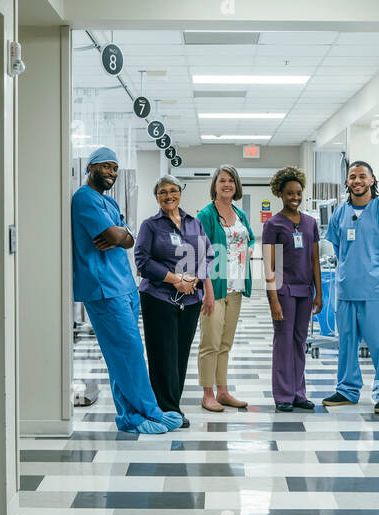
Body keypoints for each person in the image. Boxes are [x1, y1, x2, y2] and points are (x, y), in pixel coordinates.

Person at [70, 147, 183, 435]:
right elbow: (113, 235)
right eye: (105, 166)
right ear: (90, 168)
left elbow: (128, 240)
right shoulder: (84, 198)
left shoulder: (107, 202)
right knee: (130, 352)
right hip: (104, 289)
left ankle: (129, 416)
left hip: (124, 286)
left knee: (122, 355)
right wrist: (120, 232)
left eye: (114, 168)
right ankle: (149, 411)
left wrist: (121, 233)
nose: (111, 172)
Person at [134, 176, 214, 428]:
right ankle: (167, 410)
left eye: (173, 191)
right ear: (156, 197)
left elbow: (209, 255)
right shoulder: (151, 226)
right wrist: (175, 279)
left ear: (180, 192)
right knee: (162, 356)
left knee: (179, 355)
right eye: (162, 192)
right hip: (158, 298)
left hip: (189, 301)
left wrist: (195, 279)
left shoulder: (194, 224)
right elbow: (142, 261)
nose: (169, 196)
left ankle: (172, 405)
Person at [322, 161, 379, 414]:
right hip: (346, 289)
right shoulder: (339, 213)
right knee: (346, 343)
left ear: (372, 180)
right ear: (347, 182)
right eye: (352, 177)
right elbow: (338, 248)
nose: (357, 181)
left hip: (375, 291)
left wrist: (375, 271)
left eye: (362, 176)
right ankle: (347, 389)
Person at [261, 167, 322, 413]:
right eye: (289, 193)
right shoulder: (273, 224)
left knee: (299, 341)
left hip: (305, 292)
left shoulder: (310, 223)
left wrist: (319, 293)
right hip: (284, 291)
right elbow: (270, 265)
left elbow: (314, 260)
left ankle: (299, 393)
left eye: (298, 193)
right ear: (280, 194)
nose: (294, 197)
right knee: (284, 341)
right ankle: (283, 395)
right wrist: (273, 299)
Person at [196, 165, 255, 412]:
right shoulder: (206, 215)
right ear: (215, 185)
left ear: (236, 185)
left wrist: (249, 248)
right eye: (222, 180)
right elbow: (199, 254)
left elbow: (250, 237)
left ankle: (223, 391)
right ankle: (207, 393)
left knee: (226, 343)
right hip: (214, 287)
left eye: (231, 180)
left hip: (235, 287)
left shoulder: (239, 214)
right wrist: (207, 291)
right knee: (210, 342)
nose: (227, 184)